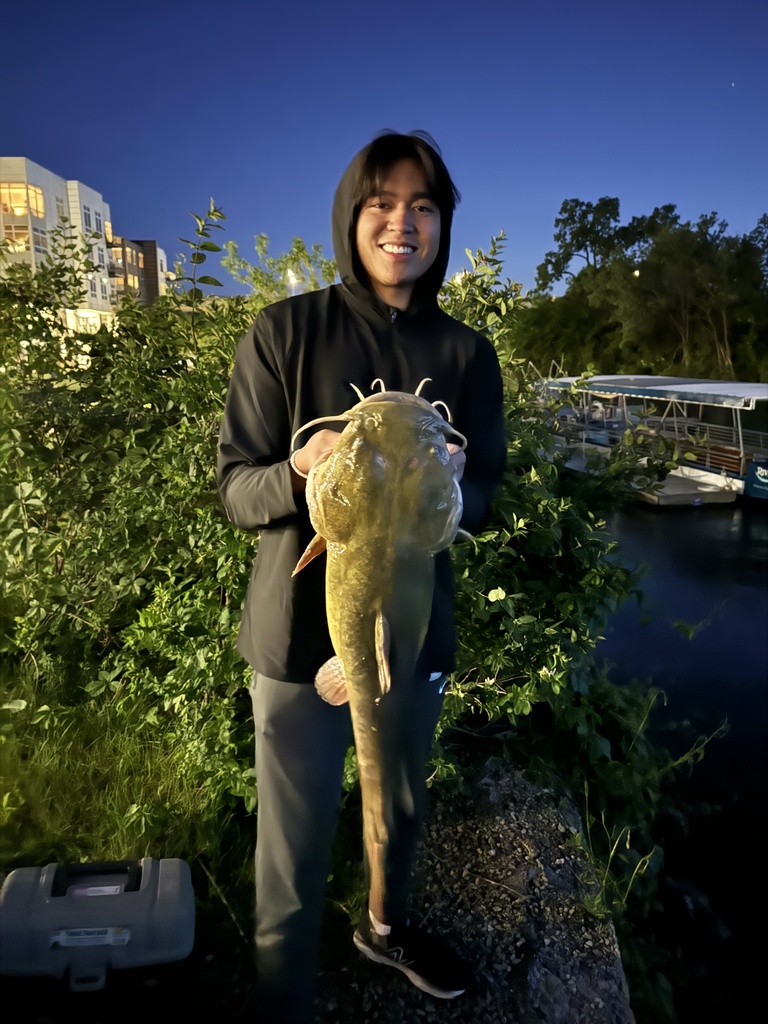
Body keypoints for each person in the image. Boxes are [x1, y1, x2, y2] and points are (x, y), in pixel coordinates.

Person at [217, 130, 506, 1023]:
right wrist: (301, 469)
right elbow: (236, 488)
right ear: (352, 216)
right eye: (382, 204)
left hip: (416, 629)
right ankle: (282, 996)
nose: (402, 223)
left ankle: (384, 928)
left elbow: (488, 494)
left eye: (423, 207)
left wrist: (455, 487)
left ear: (441, 225)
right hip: (301, 642)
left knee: (402, 806)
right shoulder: (284, 331)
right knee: (292, 850)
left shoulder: (468, 353)